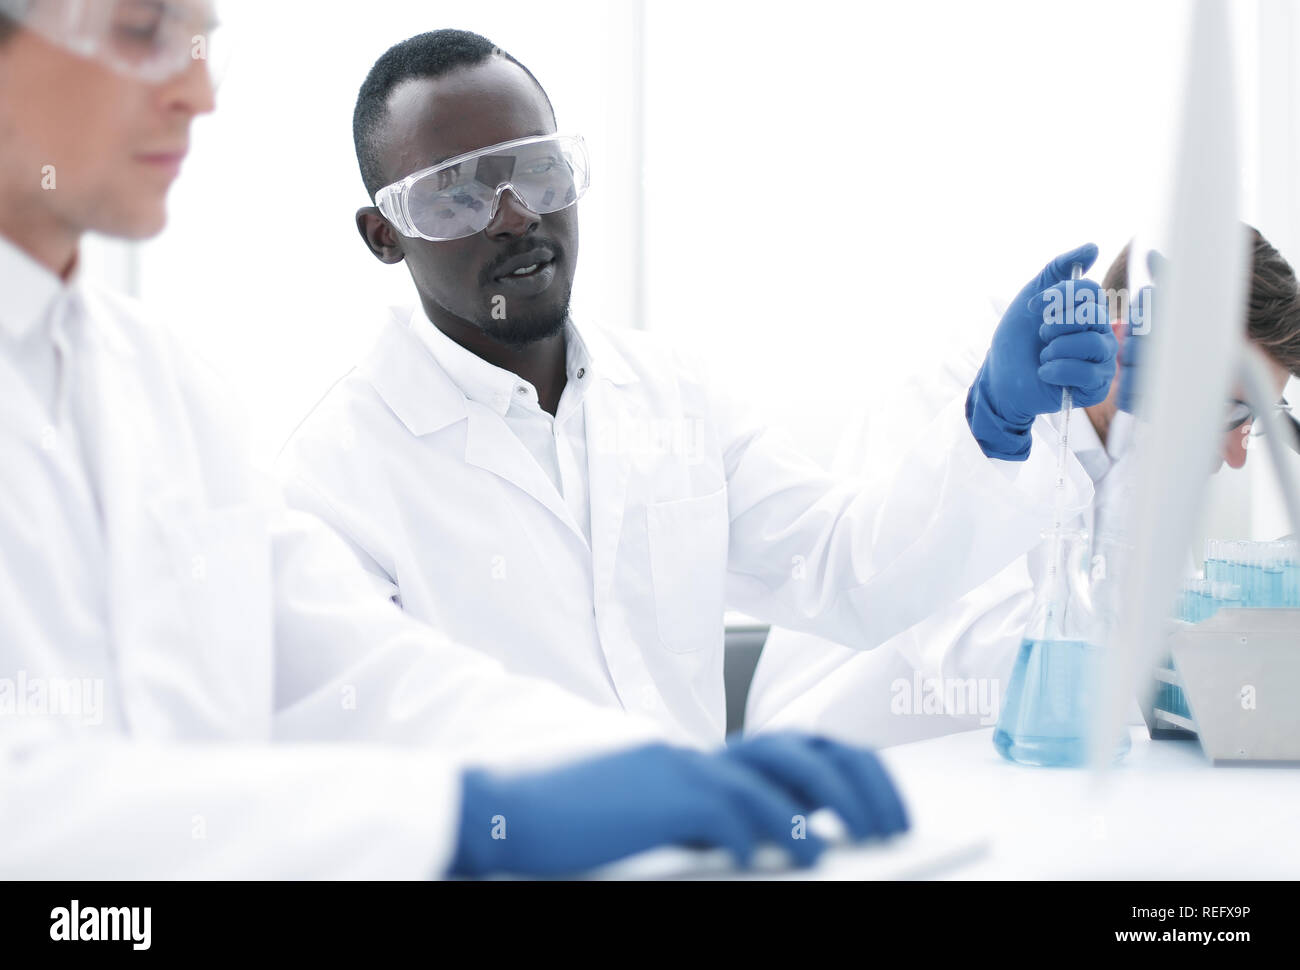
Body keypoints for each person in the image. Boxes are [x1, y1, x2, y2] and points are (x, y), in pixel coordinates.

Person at [0, 0, 913, 879]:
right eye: (141, 31)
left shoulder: (156, 380)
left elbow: (360, 672)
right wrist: (471, 824)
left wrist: (659, 772)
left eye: (201, 42)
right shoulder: (328, 458)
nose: (196, 94)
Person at [276, 28, 1116, 748]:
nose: (513, 215)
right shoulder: (333, 480)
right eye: (455, 192)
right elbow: (379, 748)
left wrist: (993, 420)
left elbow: (845, 570)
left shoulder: (673, 398)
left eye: (536, 172)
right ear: (384, 236)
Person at [745, 227, 1300, 747]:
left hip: (1026, 784)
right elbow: (978, 657)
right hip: (847, 773)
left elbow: (1149, 634)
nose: (1236, 455)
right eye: (1230, 411)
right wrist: (1219, 677)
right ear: (1128, 336)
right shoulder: (964, 392)